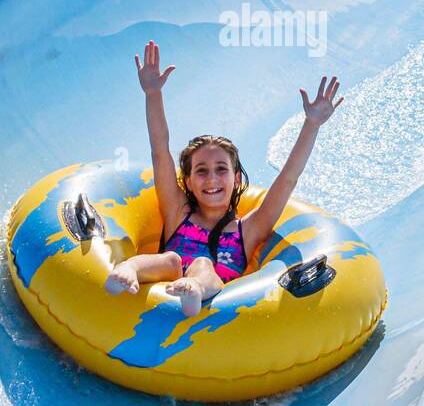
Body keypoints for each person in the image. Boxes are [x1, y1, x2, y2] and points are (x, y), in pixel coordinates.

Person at [109, 41, 344, 317]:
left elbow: (288, 178)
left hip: (215, 312)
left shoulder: (249, 229)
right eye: (201, 170)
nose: (212, 179)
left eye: (221, 169)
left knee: (202, 265)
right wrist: (153, 94)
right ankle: (129, 269)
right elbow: (160, 152)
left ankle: (194, 286)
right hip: (162, 288)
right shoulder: (178, 211)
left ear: (235, 177)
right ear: (188, 180)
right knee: (171, 259)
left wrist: (311, 124)